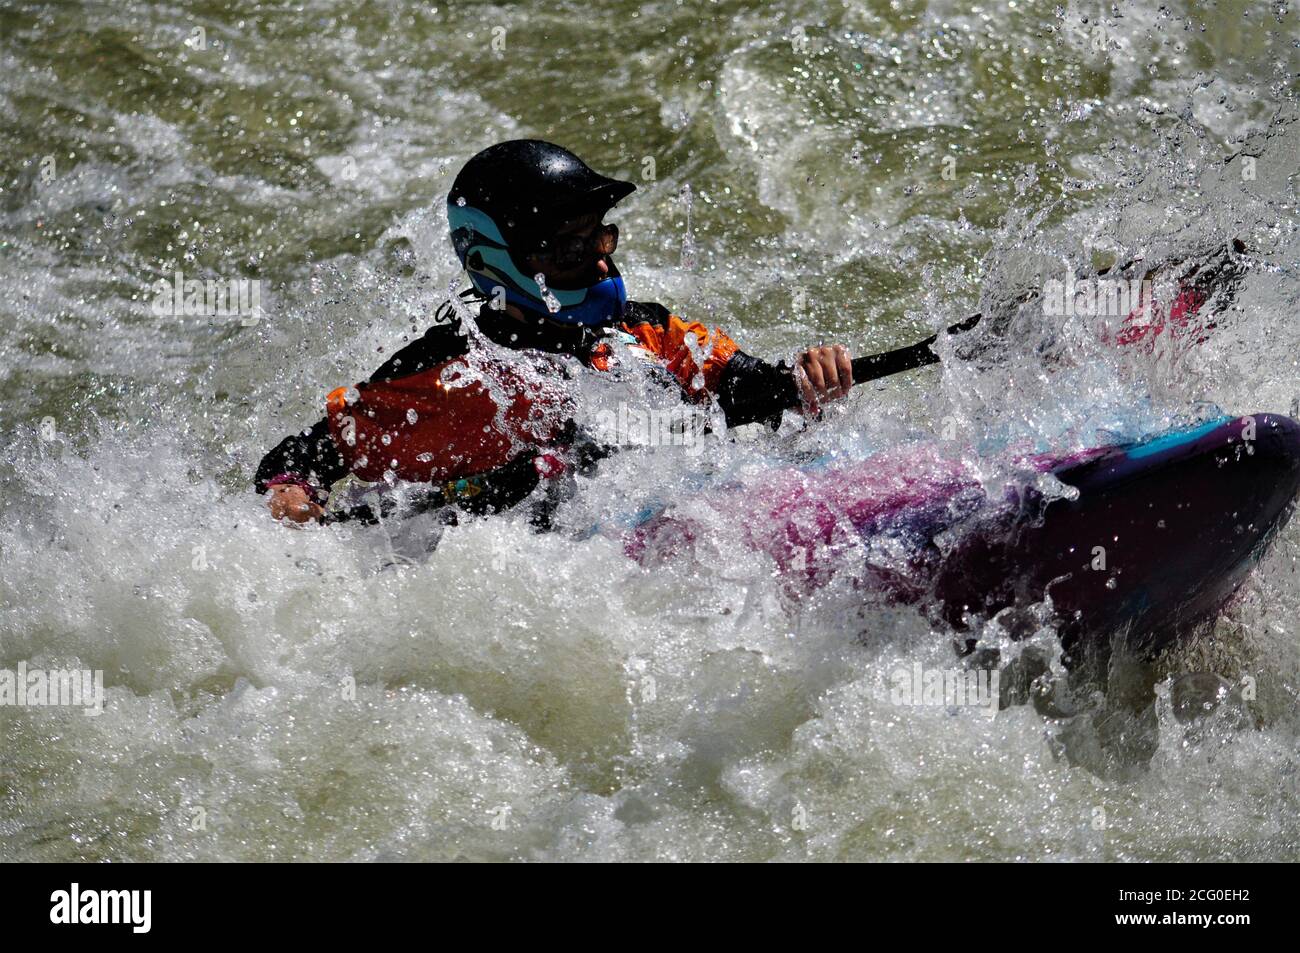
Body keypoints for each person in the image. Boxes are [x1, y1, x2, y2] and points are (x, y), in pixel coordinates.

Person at [256, 139, 855, 525]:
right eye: (571, 248)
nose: (600, 264)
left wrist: (808, 381)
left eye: (601, 237)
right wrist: (291, 496)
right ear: (499, 264)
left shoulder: (647, 330)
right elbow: (299, 459)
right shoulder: (447, 374)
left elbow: (750, 385)